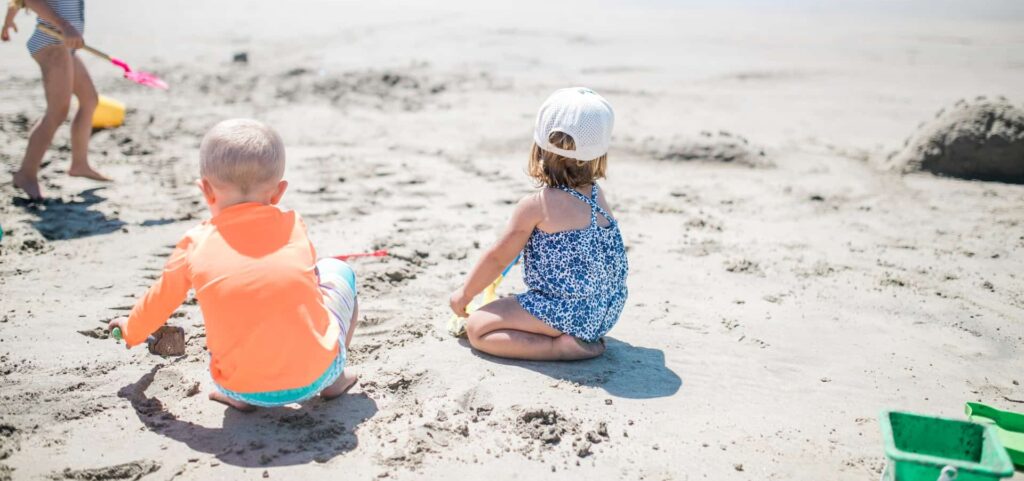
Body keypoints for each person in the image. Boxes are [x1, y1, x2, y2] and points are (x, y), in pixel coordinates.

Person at [108, 119, 359, 412]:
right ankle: (335, 380)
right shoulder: (294, 226)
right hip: (315, 376)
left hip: (238, 385)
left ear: (206, 191)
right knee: (338, 271)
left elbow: (159, 302)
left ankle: (239, 398)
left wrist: (131, 329)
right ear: (278, 193)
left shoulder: (194, 243)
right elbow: (312, 287)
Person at [449, 87, 629, 361]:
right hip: (605, 311)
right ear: (599, 154)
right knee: (514, 306)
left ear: (539, 147)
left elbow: (499, 257)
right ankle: (570, 336)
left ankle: (559, 348)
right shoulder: (596, 195)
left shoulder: (537, 206)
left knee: (478, 328)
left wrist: (465, 293)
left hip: (567, 312)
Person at [3, 0, 109, 201]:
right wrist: (66, 26)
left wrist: (8, 21)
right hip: (52, 41)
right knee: (57, 112)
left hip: (63, 43)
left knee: (89, 99)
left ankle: (80, 164)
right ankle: (26, 174)